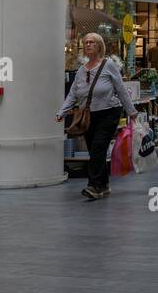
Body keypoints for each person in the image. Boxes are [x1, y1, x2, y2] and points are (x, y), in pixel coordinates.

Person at [56, 32, 138, 201]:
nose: (88, 45)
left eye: (92, 42)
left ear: (99, 46)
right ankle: (104, 185)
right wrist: (62, 112)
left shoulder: (108, 66)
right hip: (88, 115)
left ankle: (94, 186)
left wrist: (131, 112)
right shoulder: (81, 70)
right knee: (95, 150)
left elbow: (121, 89)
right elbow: (73, 94)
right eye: (85, 42)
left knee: (98, 148)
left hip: (109, 112)